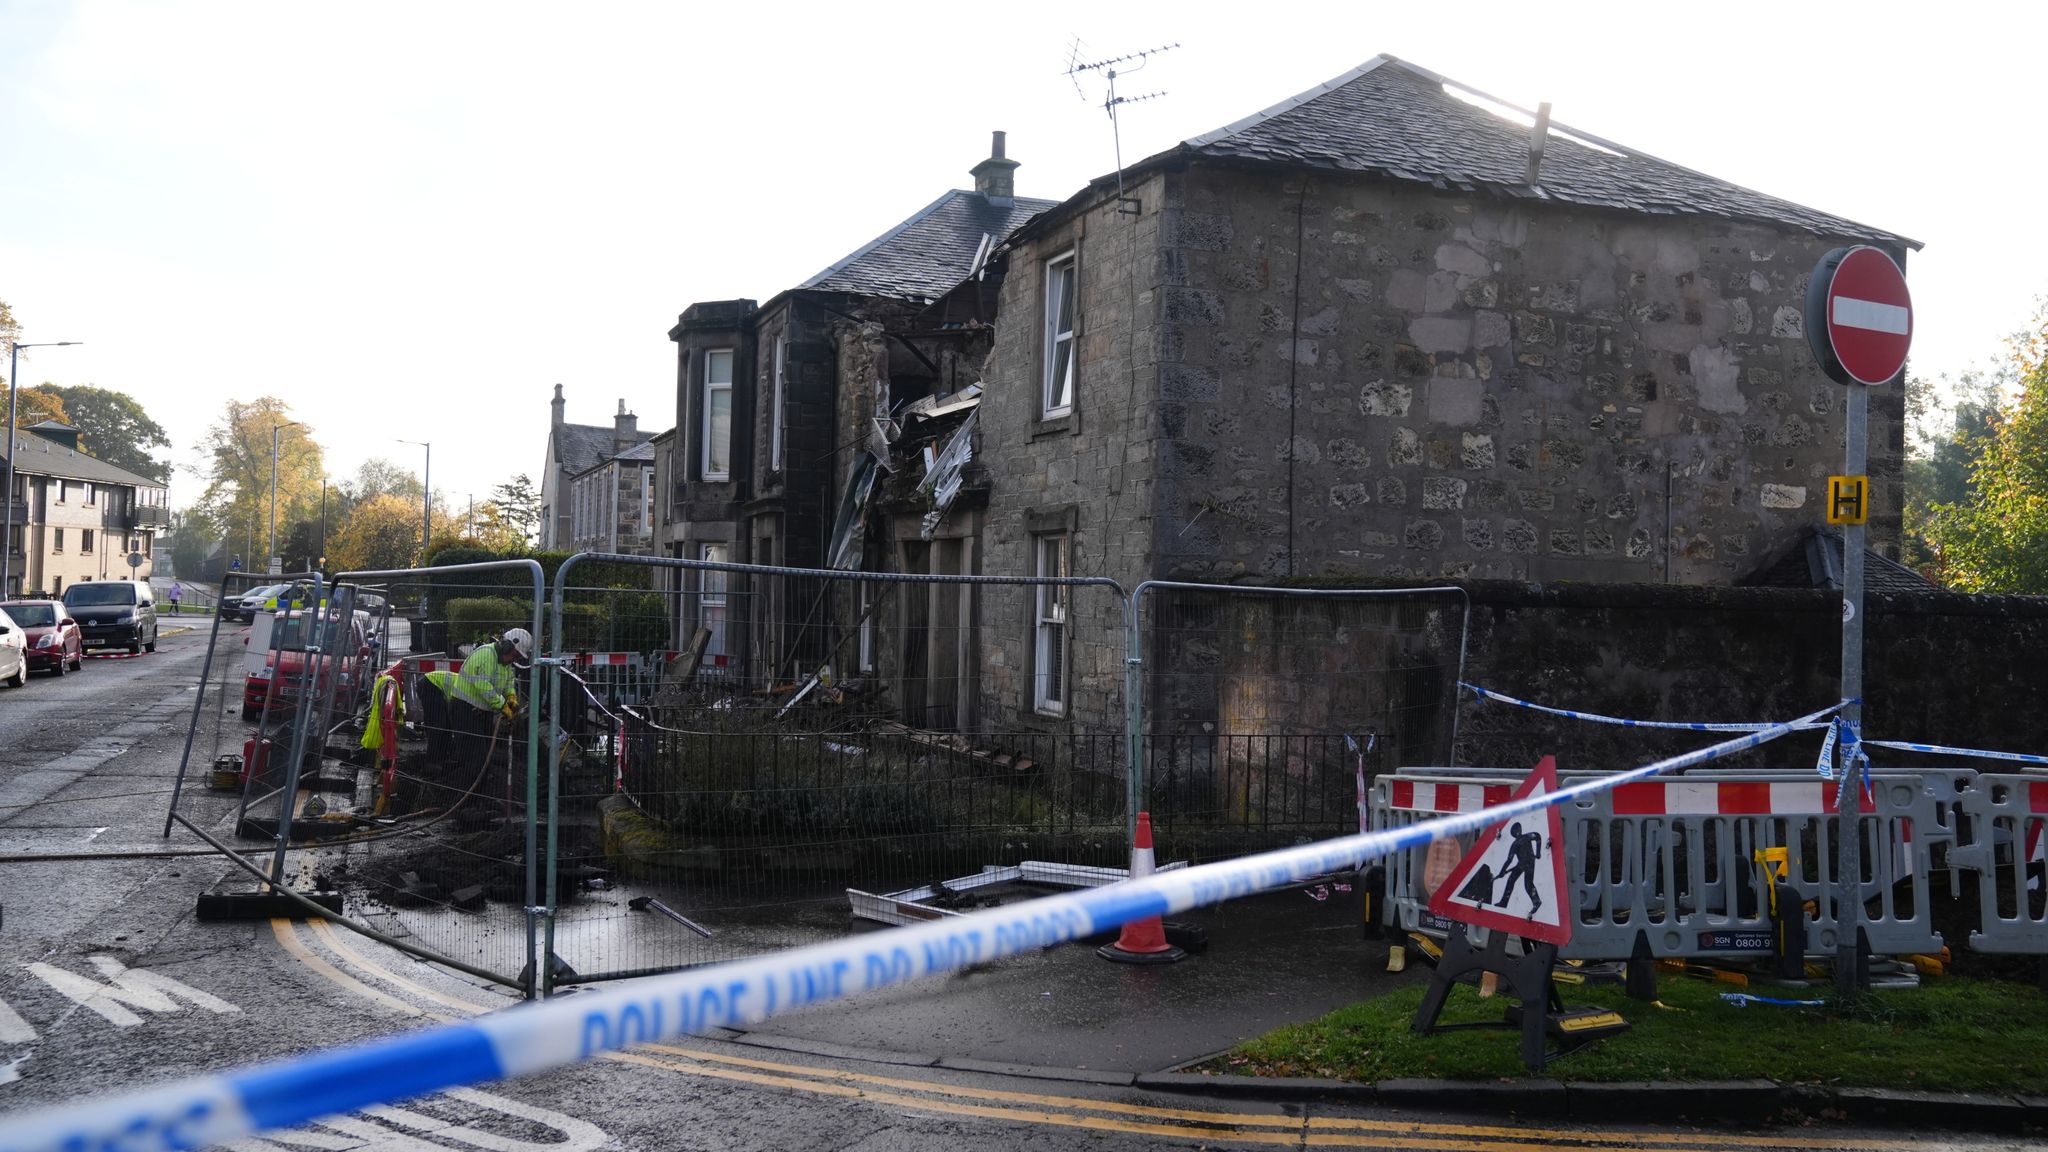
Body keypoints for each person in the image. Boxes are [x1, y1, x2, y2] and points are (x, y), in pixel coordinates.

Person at [424, 628, 531, 772]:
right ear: (507, 647)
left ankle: (479, 781)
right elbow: (483, 686)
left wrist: (511, 697)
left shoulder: (505, 664)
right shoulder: (486, 655)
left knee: (484, 752)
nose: (515, 659)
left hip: (480, 711)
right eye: (515, 655)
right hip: (464, 709)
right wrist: (503, 706)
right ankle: (464, 786)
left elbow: (508, 682)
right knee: (473, 756)